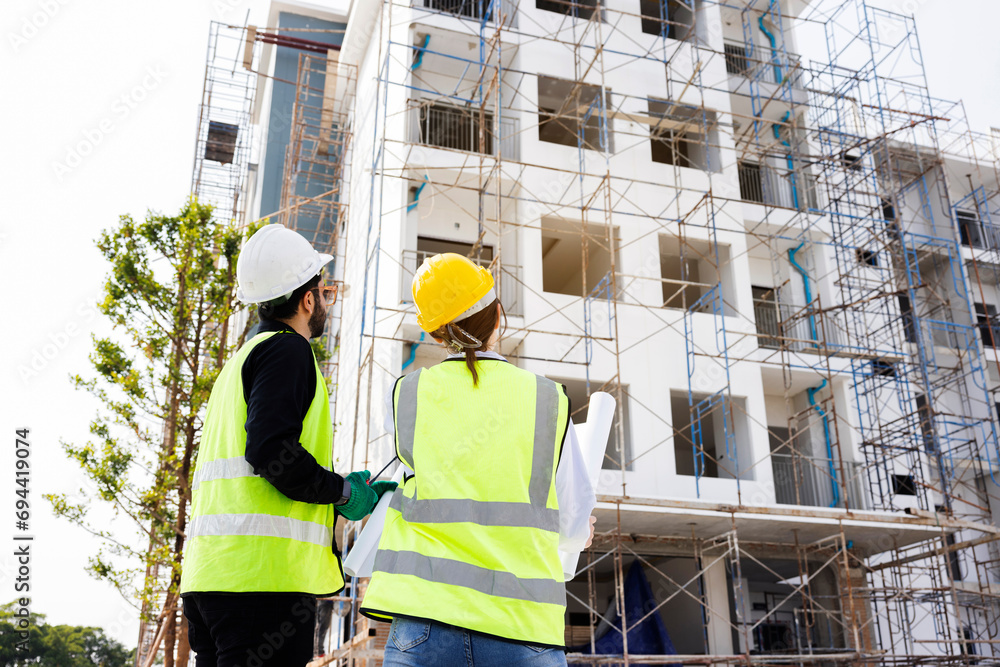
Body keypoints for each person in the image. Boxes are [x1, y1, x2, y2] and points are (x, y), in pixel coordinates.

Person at [360, 252, 597, 666]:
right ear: (498, 315)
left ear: (435, 334)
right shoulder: (547, 399)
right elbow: (573, 522)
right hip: (522, 628)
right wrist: (579, 534)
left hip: (424, 619)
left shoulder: (405, 395)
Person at [179, 224, 396, 667]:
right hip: (261, 585)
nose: (326, 302)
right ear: (307, 298)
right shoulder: (287, 351)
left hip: (213, 576)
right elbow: (270, 452)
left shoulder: (241, 360)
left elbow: (253, 461)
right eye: (325, 290)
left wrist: (333, 491)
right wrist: (343, 493)